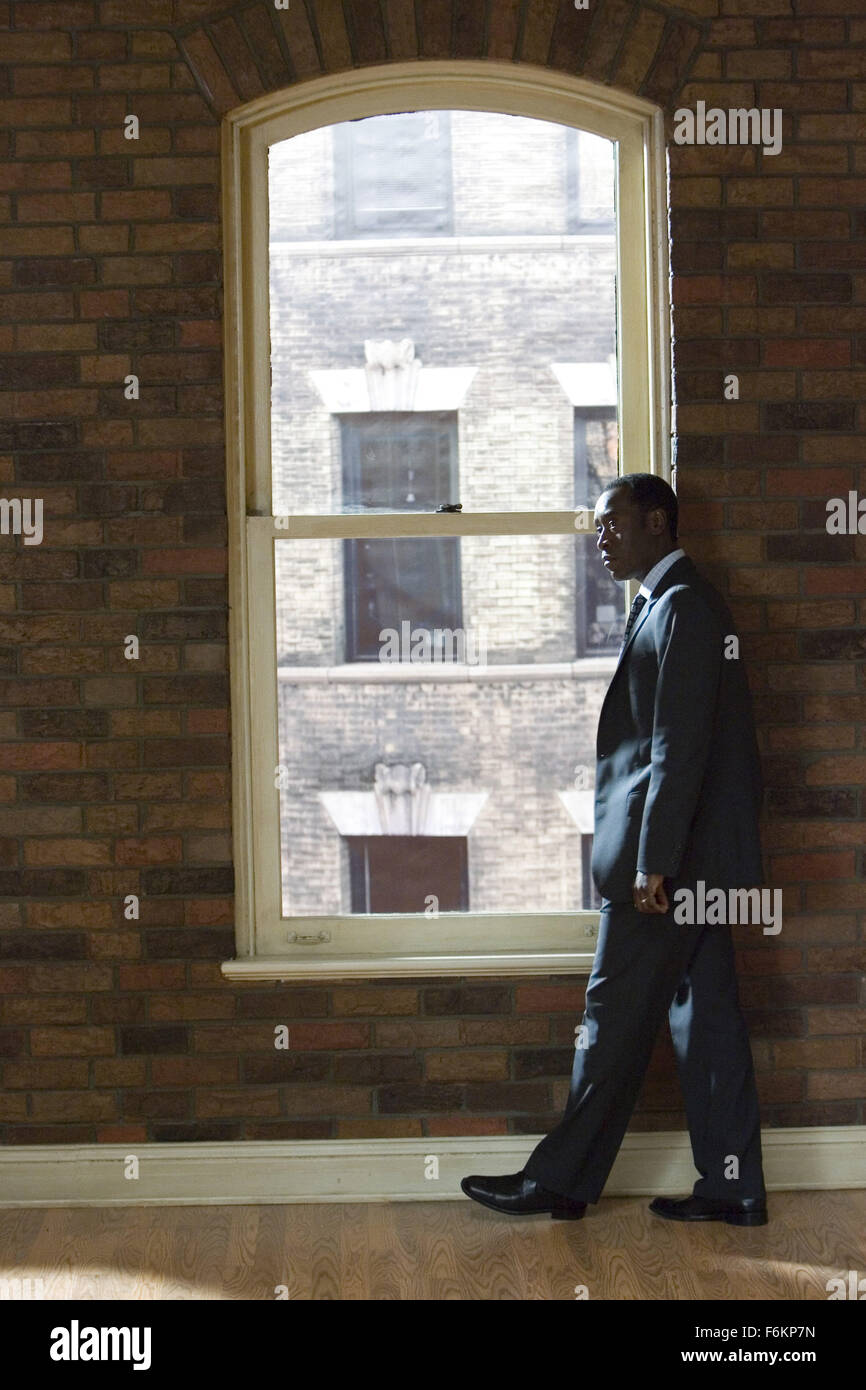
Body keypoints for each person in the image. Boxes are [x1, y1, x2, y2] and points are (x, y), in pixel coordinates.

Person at [461, 474, 768, 1226]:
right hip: (696, 866)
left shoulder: (685, 608)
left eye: (612, 525)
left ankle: (559, 1182)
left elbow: (677, 749)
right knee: (709, 1022)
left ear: (658, 523)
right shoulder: (668, 605)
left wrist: (652, 862)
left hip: (669, 870)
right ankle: (735, 1187)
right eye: (597, 529)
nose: (600, 540)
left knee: (608, 1017)